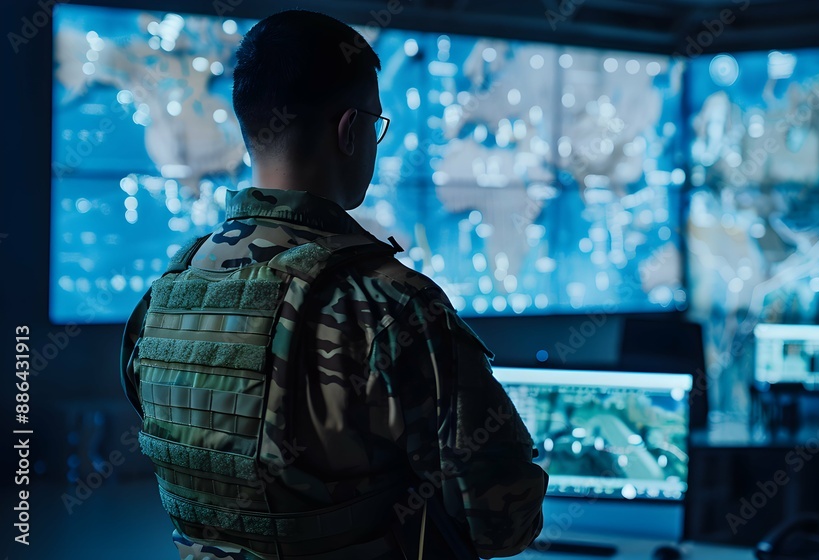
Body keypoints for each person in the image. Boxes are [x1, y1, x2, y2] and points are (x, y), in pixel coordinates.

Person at [120, 10, 547, 560]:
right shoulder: (393, 306)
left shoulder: (164, 298)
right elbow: (501, 520)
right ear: (350, 130)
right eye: (375, 123)